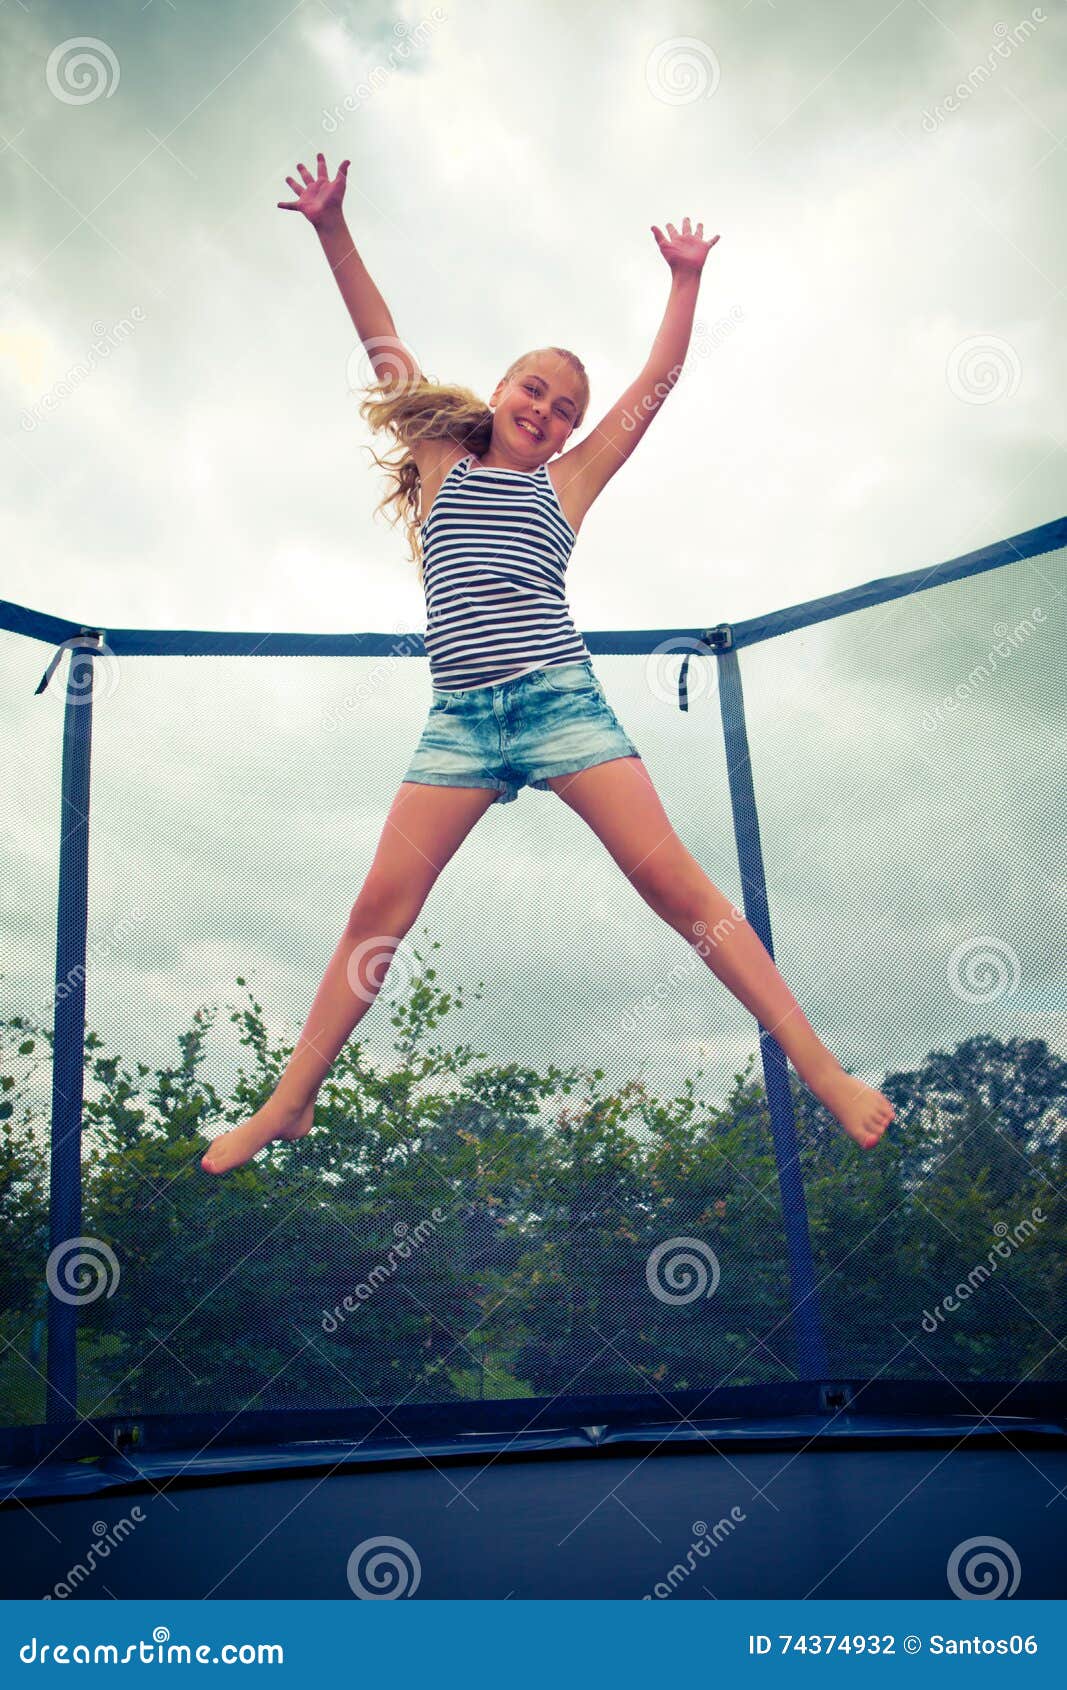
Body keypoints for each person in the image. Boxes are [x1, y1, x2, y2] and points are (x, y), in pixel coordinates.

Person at [200, 154, 894, 1174]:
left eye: (566, 405)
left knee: (683, 896)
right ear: (500, 388)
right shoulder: (442, 455)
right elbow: (378, 340)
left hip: (560, 704)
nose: (550, 410)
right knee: (375, 909)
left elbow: (653, 388)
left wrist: (685, 282)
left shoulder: (569, 480)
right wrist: (332, 228)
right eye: (537, 388)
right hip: (460, 722)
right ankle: (290, 1100)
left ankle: (822, 1070)